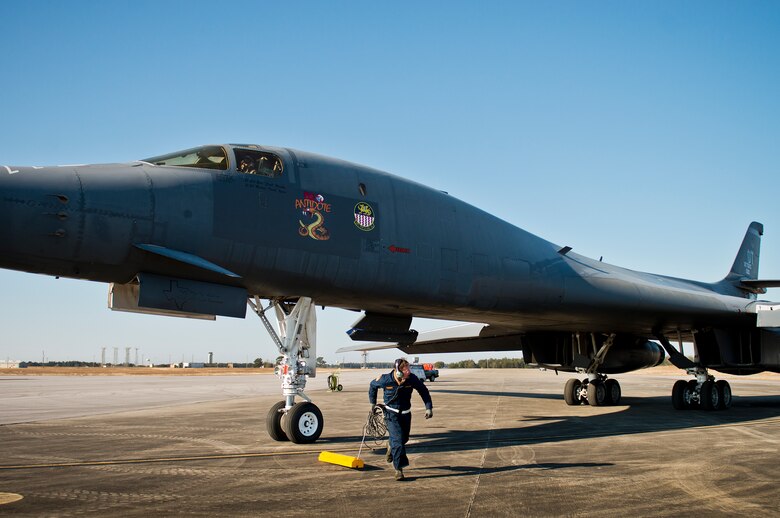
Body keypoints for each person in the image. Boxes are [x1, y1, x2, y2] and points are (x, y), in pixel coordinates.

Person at [368, 358, 433, 481]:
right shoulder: (385, 379)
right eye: (405, 369)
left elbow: (423, 391)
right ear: (397, 371)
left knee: (403, 439)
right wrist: (373, 403)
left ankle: (390, 446)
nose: (408, 371)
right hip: (391, 414)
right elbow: (372, 386)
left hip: (406, 414)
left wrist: (428, 407)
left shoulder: (412, 379)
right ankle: (399, 469)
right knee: (398, 441)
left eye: (409, 368)